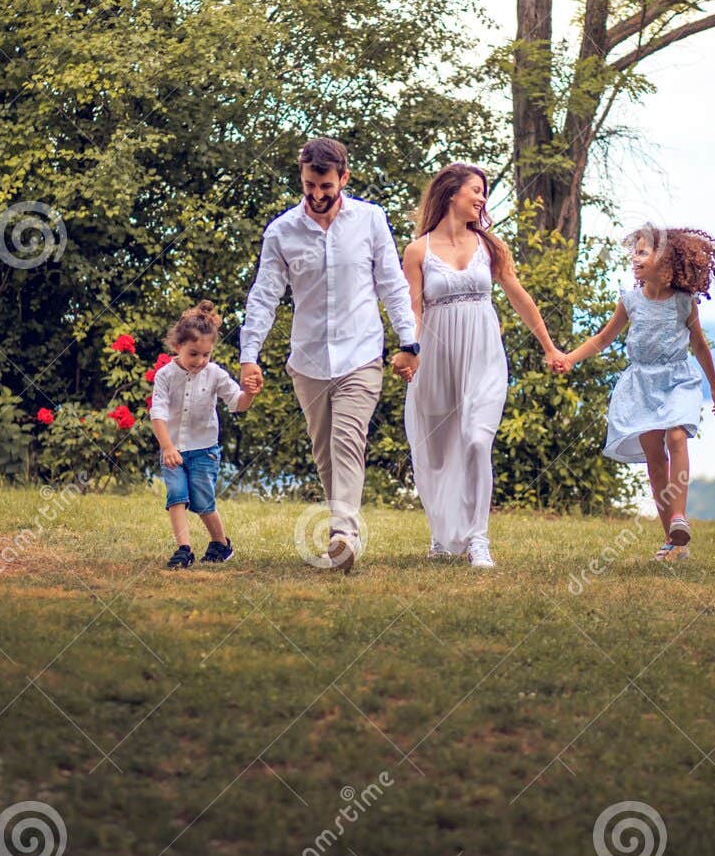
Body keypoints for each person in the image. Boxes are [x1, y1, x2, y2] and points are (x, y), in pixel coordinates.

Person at [239, 137, 420, 572]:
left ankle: (343, 534)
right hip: (309, 360)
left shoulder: (371, 221)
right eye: (308, 186)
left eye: (325, 186)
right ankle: (344, 529)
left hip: (361, 354)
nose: (317, 196)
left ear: (344, 177)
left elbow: (393, 285)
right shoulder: (282, 232)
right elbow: (264, 297)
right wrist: (249, 354)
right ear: (300, 178)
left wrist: (409, 342)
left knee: (347, 441)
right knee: (325, 452)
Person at [402, 164, 563, 568]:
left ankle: (478, 540)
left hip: (483, 355)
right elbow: (414, 309)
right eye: (476, 190)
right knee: (436, 452)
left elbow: (520, 297)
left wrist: (549, 347)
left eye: (484, 192)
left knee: (476, 440)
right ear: (451, 192)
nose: (481, 198)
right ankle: (442, 533)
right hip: (437, 358)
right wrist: (410, 350)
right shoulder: (417, 251)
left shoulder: (490, 247)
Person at [553, 225, 715, 561]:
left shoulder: (683, 303)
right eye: (634, 252)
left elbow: (700, 346)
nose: (635, 258)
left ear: (666, 260)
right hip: (642, 385)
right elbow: (602, 339)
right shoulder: (630, 301)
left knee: (677, 438)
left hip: (678, 379)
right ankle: (673, 540)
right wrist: (570, 359)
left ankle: (679, 515)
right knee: (654, 459)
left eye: (643, 252)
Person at [150, 300, 255, 569]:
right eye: (193, 354)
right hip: (172, 449)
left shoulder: (215, 374)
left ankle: (221, 543)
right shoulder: (165, 376)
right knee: (176, 495)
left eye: (206, 355)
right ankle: (184, 549)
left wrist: (250, 394)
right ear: (177, 347)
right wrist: (167, 447)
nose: (200, 361)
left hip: (204, 450)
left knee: (202, 502)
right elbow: (158, 413)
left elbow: (237, 403)